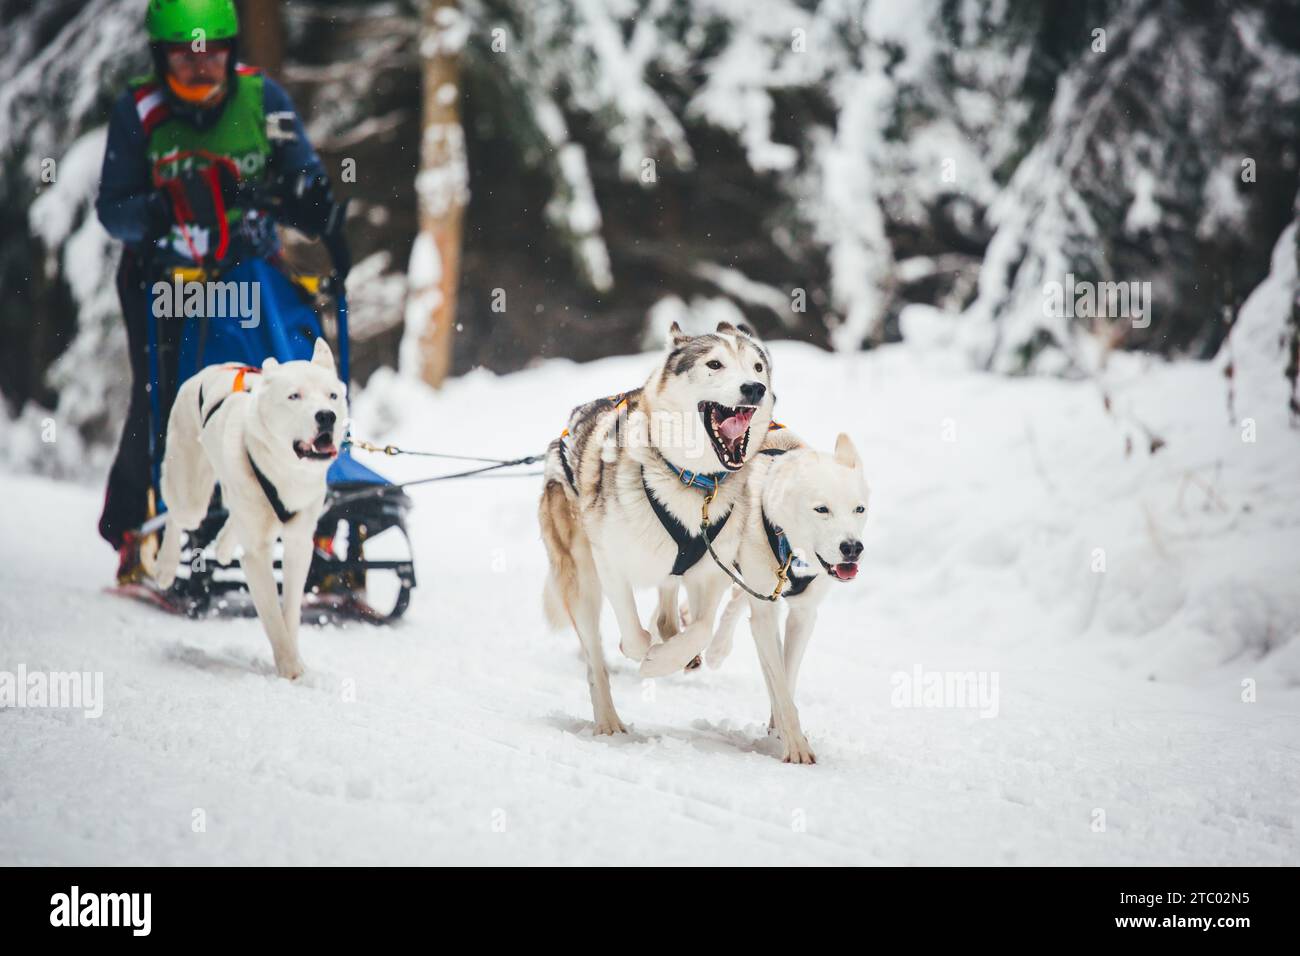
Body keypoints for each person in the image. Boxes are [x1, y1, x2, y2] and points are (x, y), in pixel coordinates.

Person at [96, 0, 350, 583]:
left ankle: (307, 493)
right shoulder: (140, 111)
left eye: (211, 51)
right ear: (162, 57)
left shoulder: (264, 99)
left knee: (291, 371)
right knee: (162, 389)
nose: (200, 64)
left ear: (231, 50)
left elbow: (302, 169)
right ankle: (136, 526)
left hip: (251, 270)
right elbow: (114, 210)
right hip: (164, 281)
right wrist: (160, 206)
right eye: (185, 53)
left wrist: (314, 200)